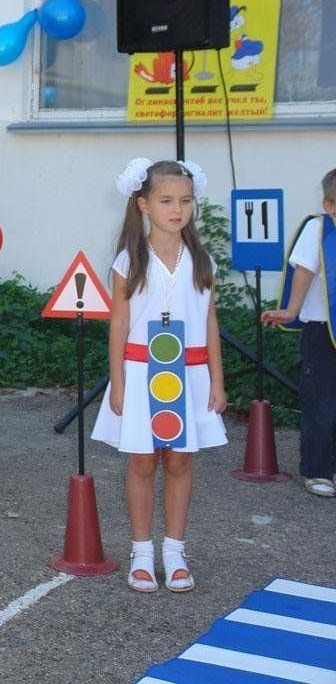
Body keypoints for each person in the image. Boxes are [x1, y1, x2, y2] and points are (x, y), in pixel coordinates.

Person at [92, 158, 227, 593]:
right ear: (143, 204)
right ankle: (141, 552)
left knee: (181, 459)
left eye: (185, 201)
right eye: (167, 200)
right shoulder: (130, 260)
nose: (177, 209)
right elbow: (118, 323)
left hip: (189, 374)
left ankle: (174, 550)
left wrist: (218, 380)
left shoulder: (201, 260)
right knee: (143, 460)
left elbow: (209, 322)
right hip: (139, 372)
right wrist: (117, 380)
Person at [262, 168, 336, 498]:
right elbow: (304, 271)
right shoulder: (318, 230)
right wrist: (291, 311)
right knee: (321, 403)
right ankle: (318, 470)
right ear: (329, 204)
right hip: (323, 330)